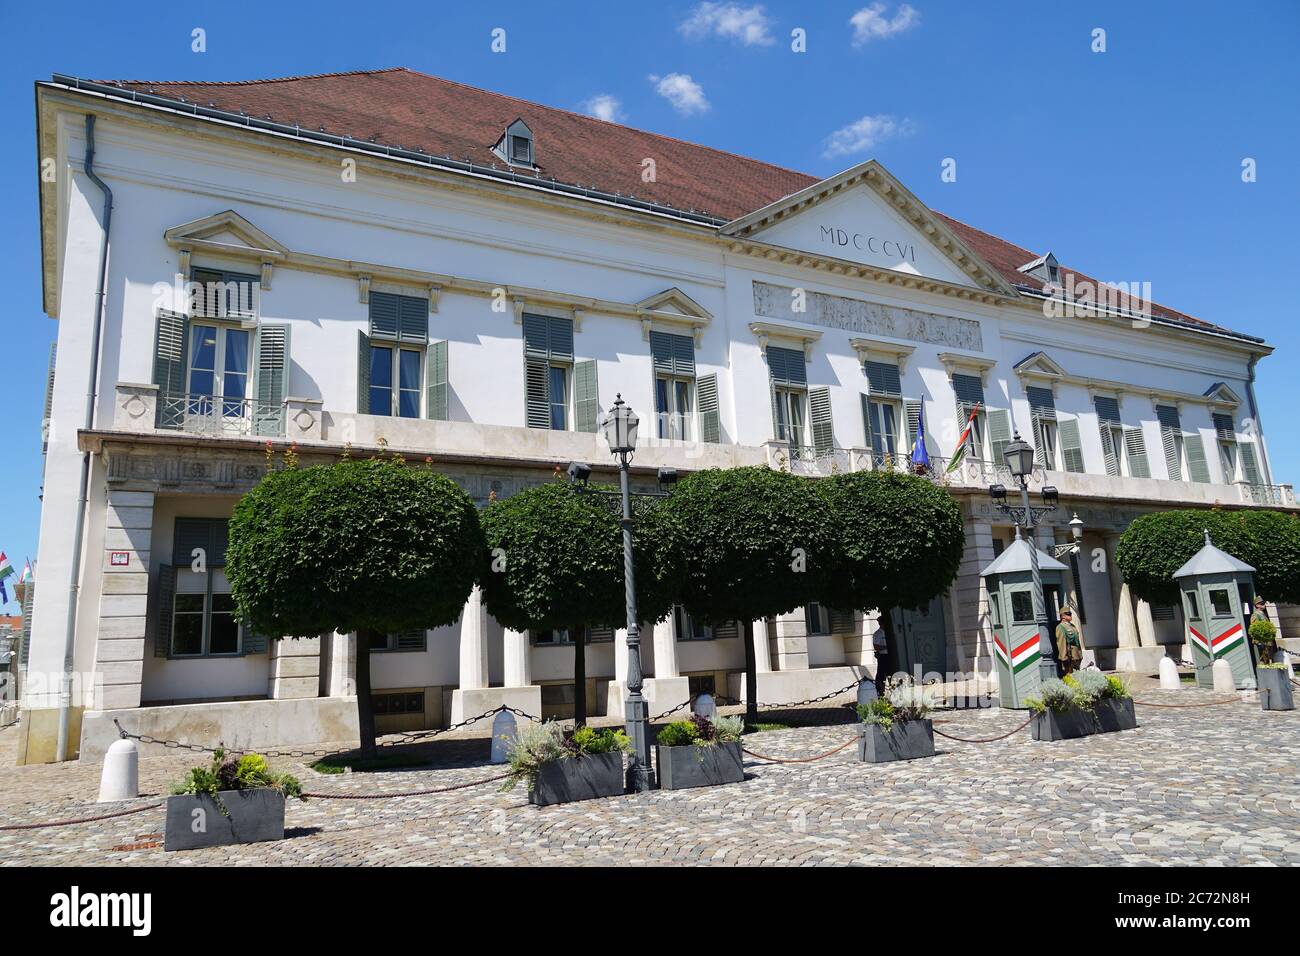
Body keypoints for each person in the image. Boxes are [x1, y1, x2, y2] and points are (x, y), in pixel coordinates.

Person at [1055, 607, 1083, 675]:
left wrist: (1080, 654)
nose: (1070, 615)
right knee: (1070, 676)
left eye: (1070, 614)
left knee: (1077, 676)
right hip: (1069, 657)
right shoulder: (1060, 627)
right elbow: (1061, 643)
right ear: (1063, 616)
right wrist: (1064, 658)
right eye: (1068, 614)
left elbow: (1077, 641)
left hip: (1076, 656)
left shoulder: (1072, 626)